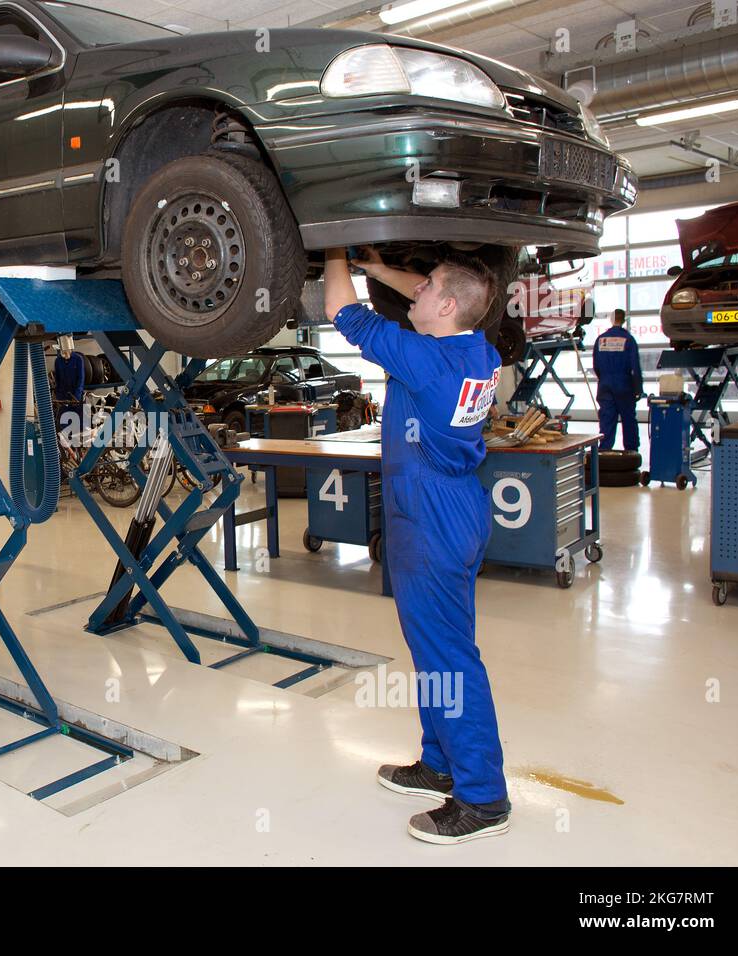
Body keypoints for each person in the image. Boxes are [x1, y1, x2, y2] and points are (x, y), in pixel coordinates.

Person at [324, 247, 510, 845]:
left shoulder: (424, 362)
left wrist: (332, 245)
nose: (416, 292)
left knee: (450, 658)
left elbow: (338, 308)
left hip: (429, 515)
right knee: (436, 646)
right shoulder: (475, 348)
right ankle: (439, 764)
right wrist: (378, 270)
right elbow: (433, 295)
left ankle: (482, 798)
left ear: (448, 306)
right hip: (455, 504)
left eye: (426, 287)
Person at [592, 308, 643, 451]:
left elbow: (596, 365)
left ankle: (604, 451)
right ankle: (631, 451)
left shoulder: (601, 339)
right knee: (628, 419)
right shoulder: (628, 340)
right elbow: (635, 367)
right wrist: (638, 388)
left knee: (607, 418)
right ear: (624, 320)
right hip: (624, 385)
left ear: (611, 319)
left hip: (605, 385)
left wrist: (604, 380)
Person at [52, 337, 86, 438]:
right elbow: (57, 378)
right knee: (64, 423)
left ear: (70, 349)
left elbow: (81, 378)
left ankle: (78, 447)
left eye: (66, 352)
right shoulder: (58, 361)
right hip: (63, 396)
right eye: (62, 352)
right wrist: (58, 394)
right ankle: (66, 446)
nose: (65, 354)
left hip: (76, 396)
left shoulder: (78, 359)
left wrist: (77, 395)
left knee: (77, 424)